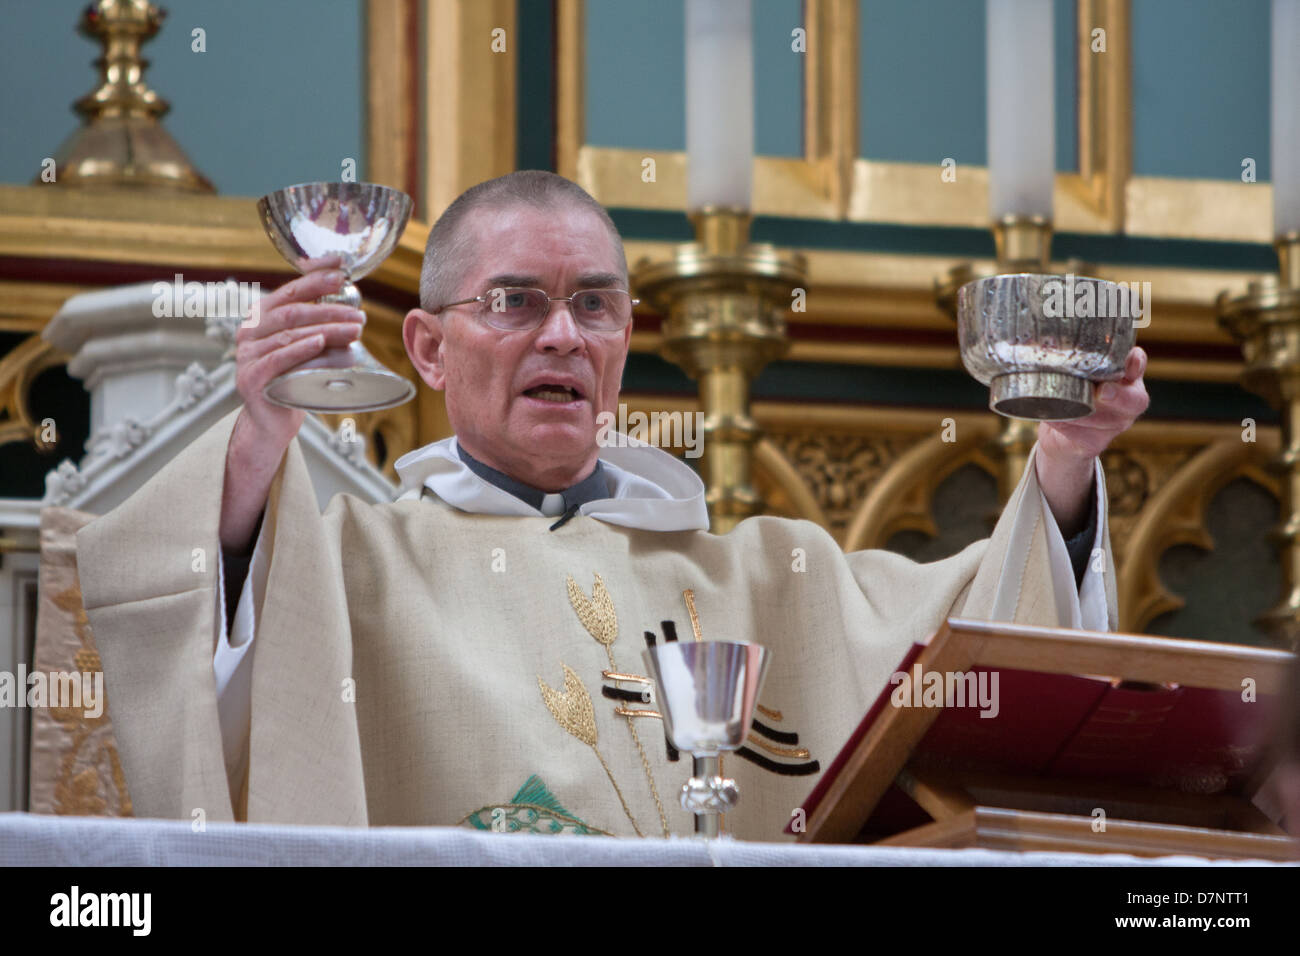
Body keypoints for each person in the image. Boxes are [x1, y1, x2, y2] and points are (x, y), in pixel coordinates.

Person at [75, 171, 1148, 838]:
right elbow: (194, 625)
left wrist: (1061, 456)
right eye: (514, 301)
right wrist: (259, 437)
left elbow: (973, 646)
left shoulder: (762, 574)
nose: (561, 335)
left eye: (595, 303)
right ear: (427, 347)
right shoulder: (348, 560)